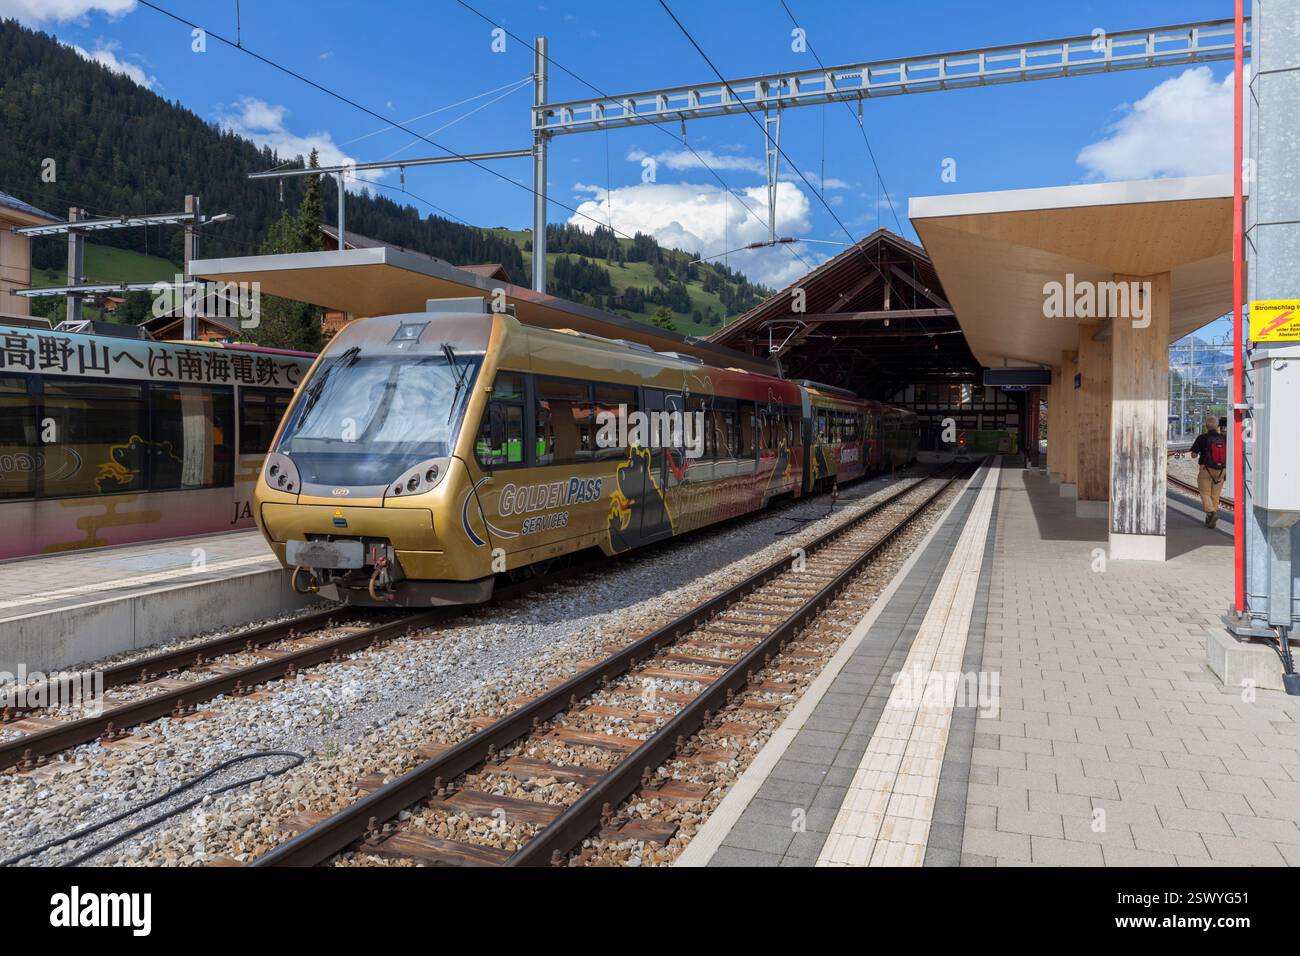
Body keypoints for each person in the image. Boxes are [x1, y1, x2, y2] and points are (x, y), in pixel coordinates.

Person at [1189, 416, 1228, 528]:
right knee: (1215, 495)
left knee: (1205, 493)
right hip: (1221, 471)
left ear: (1206, 427)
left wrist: (1201, 452)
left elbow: (1193, 455)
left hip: (1206, 470)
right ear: (1217, 426)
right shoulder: (1224, 438)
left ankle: (1211, 513)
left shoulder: (1202, 438)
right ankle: (1211, 520)